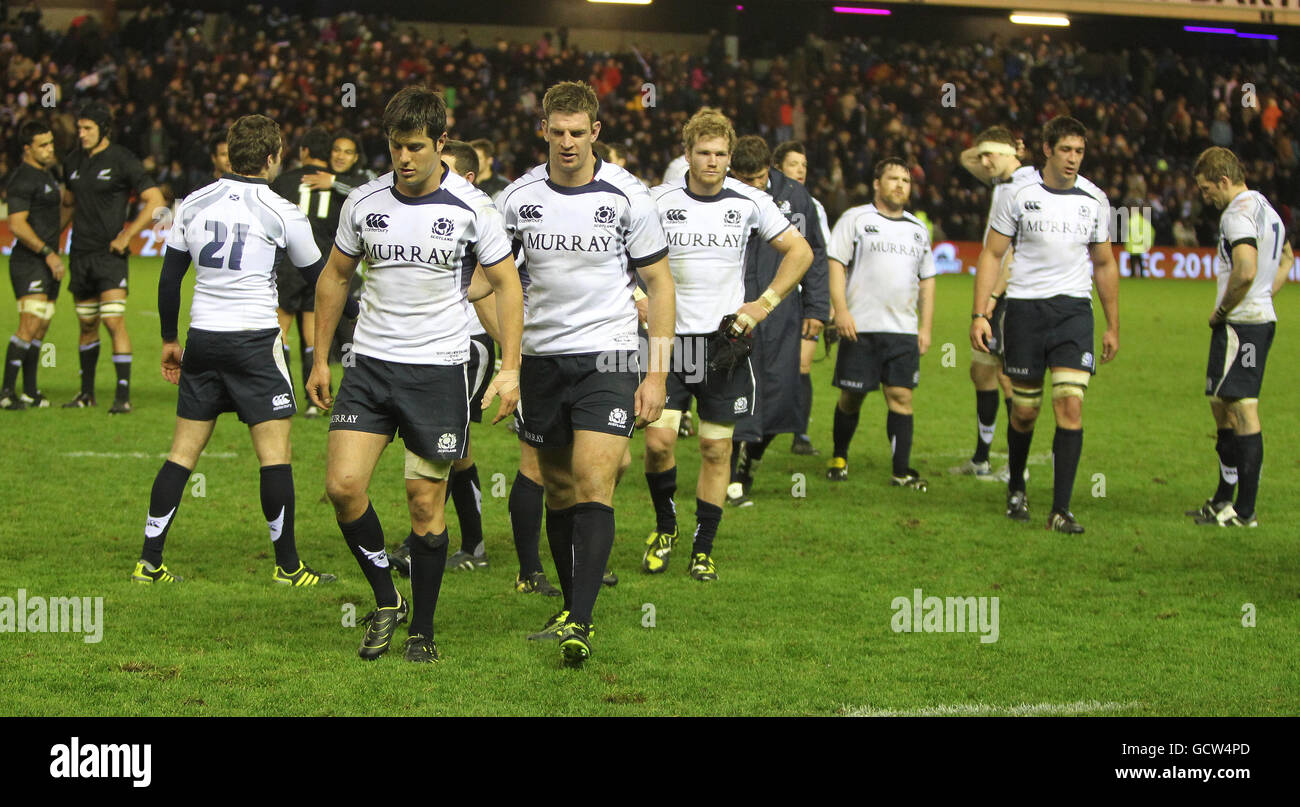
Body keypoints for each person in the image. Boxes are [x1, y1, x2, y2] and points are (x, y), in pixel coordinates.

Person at [309, 87, 524, 663]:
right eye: (395, 146)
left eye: (416, 147)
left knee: (424, 506)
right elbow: (335, 276)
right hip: (369, 367)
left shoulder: (472, 208)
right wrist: (319, 357)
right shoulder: (364, 201)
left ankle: (422, 631)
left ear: (441, 143)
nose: (404, 158)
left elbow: (507, 284)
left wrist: (510, 369)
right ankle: (387, 598)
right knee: (343, 487)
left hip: (437, 373)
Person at [496, 80, 674, 664]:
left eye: (578, 132)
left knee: (595, 480)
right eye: (558, 132)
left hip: (609, 355)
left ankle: (582, 620)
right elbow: (487, 281)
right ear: (543, 130)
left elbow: (660, 285)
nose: (567, 142)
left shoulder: (629, 196)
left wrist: (656, 375)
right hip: (543, 360)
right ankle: (571, 606)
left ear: (596, 131)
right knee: (559, 488)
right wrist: (508, 355)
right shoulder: (516, 198)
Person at [135, 114, 342, 587]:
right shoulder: (281, 209)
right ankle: (288, 567)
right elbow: (322, 280)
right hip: (254, 341)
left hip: (204, 338)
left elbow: (169, 280)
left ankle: (149, 561)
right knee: (275, 454)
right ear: (272, 157)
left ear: (229, 153)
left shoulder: (192, 203)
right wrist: (360, 313)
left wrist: (169, 340)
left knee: (182, 453)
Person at [642, 110, 810, 581]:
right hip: (670, 343)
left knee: (717, 451)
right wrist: (637, 296)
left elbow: (800, 252)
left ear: (730, 156)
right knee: (658, 443)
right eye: (703, 153)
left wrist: (763, 304)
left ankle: (703, 548)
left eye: (720, 154)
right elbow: (619, 253)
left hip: (724, 344)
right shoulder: (656, 200)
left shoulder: (751, 200)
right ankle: (666, 526)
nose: (712, 161)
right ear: (687, 154)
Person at [971, 116, 1120, 534]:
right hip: (1025, 311)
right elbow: (992, 254)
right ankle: (1016, 487)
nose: (1073, 158)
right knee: (1024, 412)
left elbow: (1104, 263)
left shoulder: (1095, 199)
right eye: (1066, 150)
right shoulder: (1018, 194)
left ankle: (1061, 509)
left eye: (1080, 151)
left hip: (1073, 311)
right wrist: (980, 314)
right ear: (1048, 150)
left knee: (1070, 405)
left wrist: (1112, 325)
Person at [387, 139, 496, 575]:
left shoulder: (479, 215)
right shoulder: (427, 210)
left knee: (447, 446)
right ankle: (469, 544)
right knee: (456, 449)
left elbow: (493, 284)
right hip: (428, 347)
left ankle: (425, 544)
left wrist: (512, 356)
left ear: (467, 177)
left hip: (468, 346)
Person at [1187, 146, 1290, 527]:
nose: (1205, 196)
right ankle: (1222, 498)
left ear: (1224, 180)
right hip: (1249, 320)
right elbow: (1287, 258)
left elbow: (1245, 270)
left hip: (1242, 325)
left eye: (1206, 188)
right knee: (1222, 404)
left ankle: (1244, 512)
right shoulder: (1267, 209)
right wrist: (1265, 294)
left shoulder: (1236, 214)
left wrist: (1222, 310)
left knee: (1243, 409)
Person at [726, 135, 829, 507]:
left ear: (769, 169)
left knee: (781, 396)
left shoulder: (795, 196)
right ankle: (730, 475)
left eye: (758, 178)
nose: (752, 186)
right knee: (736, 392)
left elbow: (815, 253)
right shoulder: (722, 192)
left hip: (782, 309)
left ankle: (750, 463)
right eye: (744, 179)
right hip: (733, 306)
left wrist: (817, 308)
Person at [824, 158, 935, 490]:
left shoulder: (917, 229)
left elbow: (927, 281)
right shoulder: (856, 219)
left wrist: (925, 328)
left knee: (901, 397)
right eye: (893, 178)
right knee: (851, 396)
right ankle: (839, 456)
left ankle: (901, 471)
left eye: (906, 180)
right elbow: (836, 264)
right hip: (861, 326)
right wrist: (840, 311)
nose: (900, 185)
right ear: (877, 183)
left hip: (902, 329)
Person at [61, 100, 165, 413]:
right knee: (86, 324)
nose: (81, 134)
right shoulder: (72, 162)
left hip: (110, 256)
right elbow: (68, 204)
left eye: (87, 128)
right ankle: (86, 394)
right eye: (79, 128)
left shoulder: (121, 159)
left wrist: (127, 236)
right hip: (80, 255)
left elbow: (155, 200)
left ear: (103, 130)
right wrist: (51, 241)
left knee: (112, 320)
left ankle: (122, 397)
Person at [951, 126, 1039, 481]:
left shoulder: (1024, 186)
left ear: (1010, 153)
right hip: (1000, 294)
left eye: (990, 154)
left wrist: (991, 297)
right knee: (982, 371)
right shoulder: (1004, 181)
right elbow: (967, 160)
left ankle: (1019, 467)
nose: (983, 161)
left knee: (1007, 376)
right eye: (982, 155)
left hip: (1012, 294)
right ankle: (981, 459)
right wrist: (994, 151)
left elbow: (1017, 249)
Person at [269, 126, 336, 418]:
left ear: (304, 151)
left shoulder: (283, 181)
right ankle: (314, 401)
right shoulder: (336, 185)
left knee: (280, 332)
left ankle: (283, 396)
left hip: (288, 265)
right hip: (323, 267)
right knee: (313, 336)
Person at [772, 140, 831, 455]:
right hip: (766, 297)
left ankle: (800, 433)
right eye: (793, 164)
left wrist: (820, 305)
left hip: (799, 300)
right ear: (777, 167)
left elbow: (820, 256)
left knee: (803, 366)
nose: (800, 170)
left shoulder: (812, 206)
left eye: (804, 165)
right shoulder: (763, 199)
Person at [3, 120, 66, 410]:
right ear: (27, 149)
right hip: (29, 262)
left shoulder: (47, 175)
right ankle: (6, 393)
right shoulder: (22, 179)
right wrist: (48, 252)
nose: (49, 149)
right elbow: (16, 224)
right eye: (43, 145)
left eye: (51, 143)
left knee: (41, 327)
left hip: (48, 262)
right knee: (28, 325)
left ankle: (29, 390)